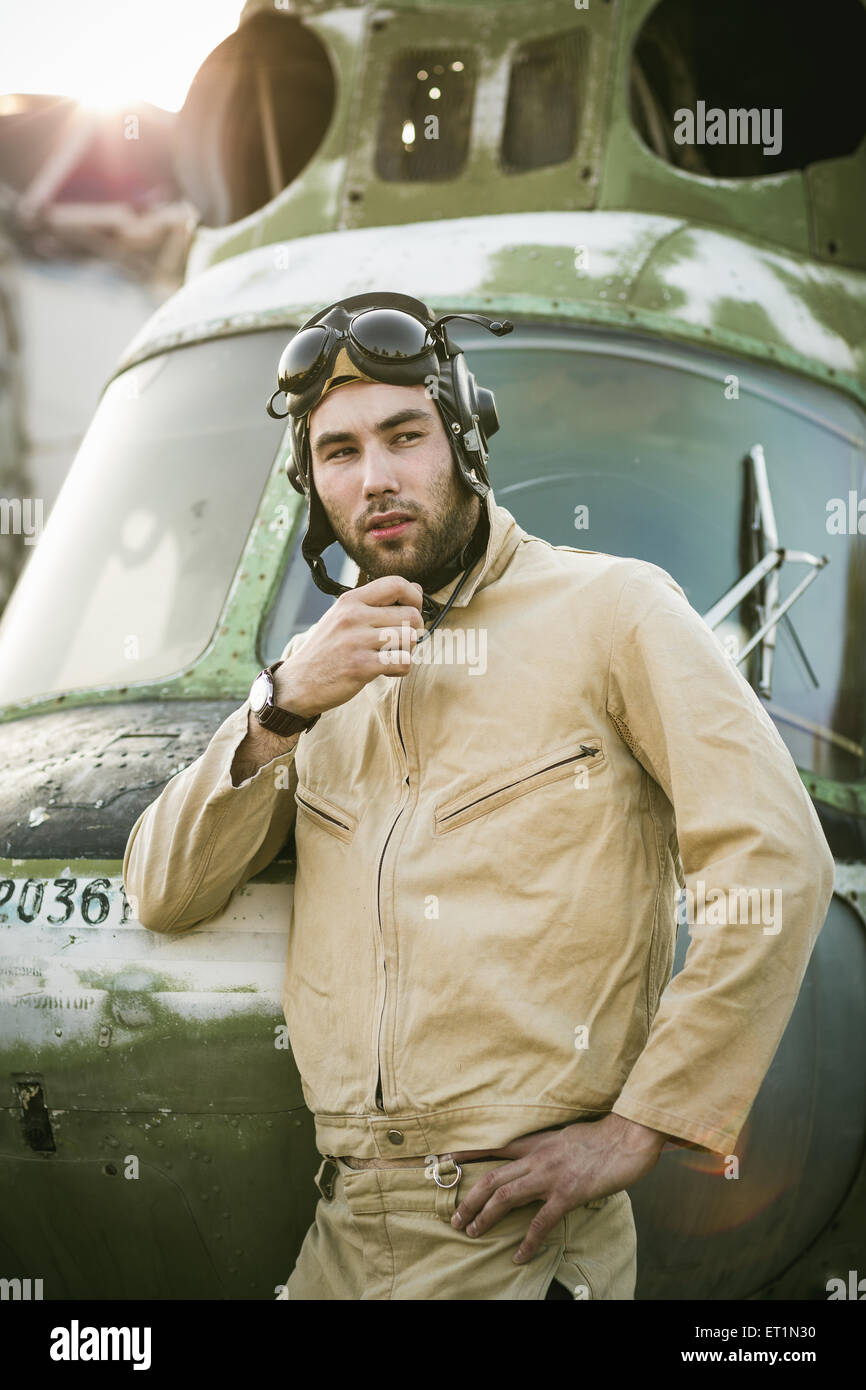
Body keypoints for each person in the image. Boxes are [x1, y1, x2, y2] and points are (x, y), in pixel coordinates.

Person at [123, 291, 835, 1301]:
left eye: (403, 435)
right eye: (337, 453)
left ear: (461, 440)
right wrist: (280, 704)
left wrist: (641, 1126)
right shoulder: (321, 678)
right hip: (340, 1233)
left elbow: (775, 860)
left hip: (513, 1240)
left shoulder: (614, 610)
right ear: (310, 483)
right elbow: (162, 888)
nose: (373, 479)